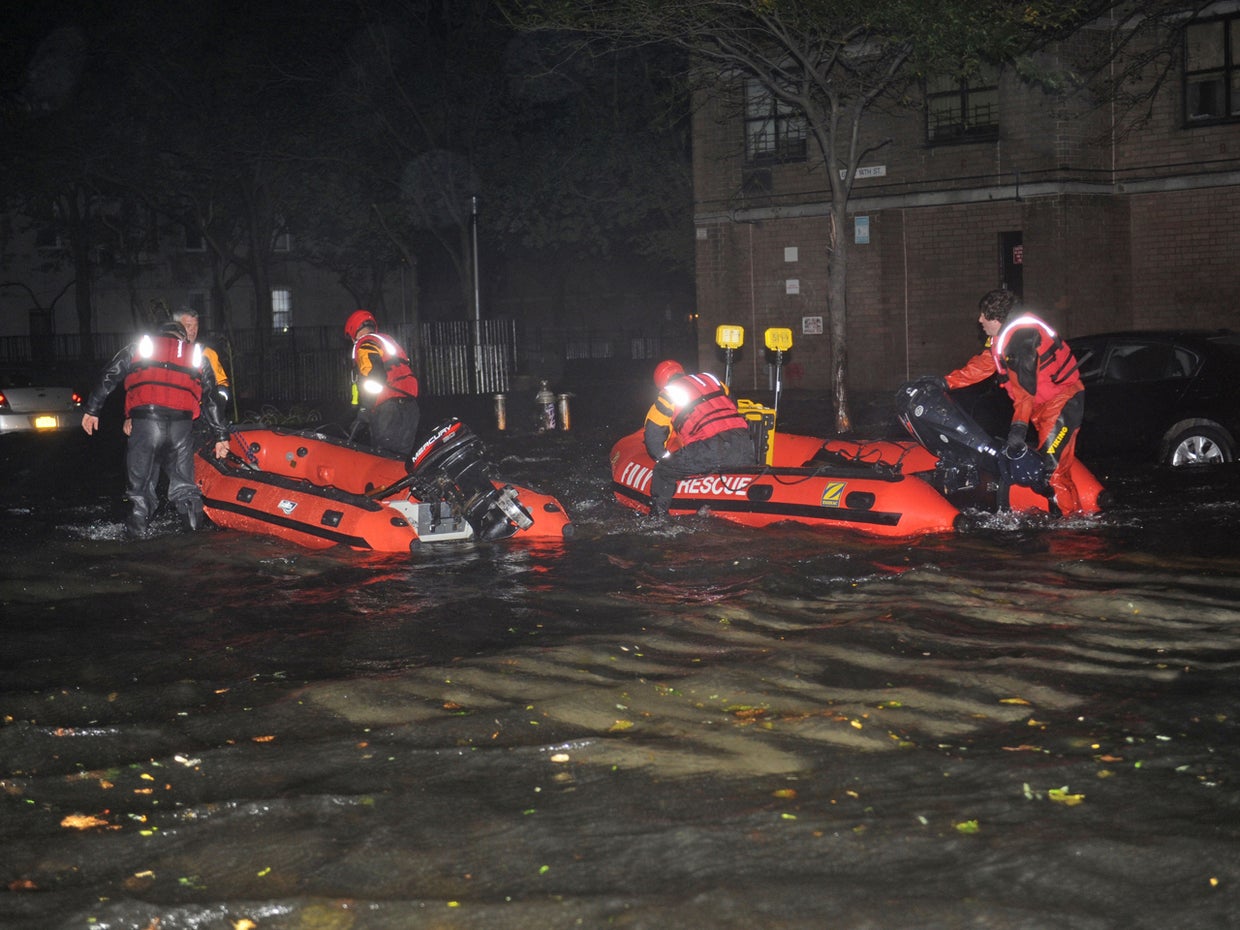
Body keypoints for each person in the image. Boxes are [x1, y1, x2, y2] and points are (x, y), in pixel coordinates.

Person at [941, 288, 1089, 513]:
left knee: (1051, 472)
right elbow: (985, 363)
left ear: (997, 318)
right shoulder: (1004, 336)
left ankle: (1070, 531)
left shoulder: (1022, 342)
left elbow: (1024, 394)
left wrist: (1017, 432)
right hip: (1045, 406)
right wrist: (945, 383)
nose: (979, 320)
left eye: (983, 315)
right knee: (1051, 467)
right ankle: (1070, 515)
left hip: (1062, 404)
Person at [82, 320, 231, 538]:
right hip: (181, 426)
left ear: (160, 334)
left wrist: (92, 409)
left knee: (140, 487)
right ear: (182, 337)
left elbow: (109, 375)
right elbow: (210, 399)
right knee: (185, 487)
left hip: (146, 423)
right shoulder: (196, 354)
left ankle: (137, 541)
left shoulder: (141, 346)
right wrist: (221, 435)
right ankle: (195, 537)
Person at [642, 359, 755, 516]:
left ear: (661, 383)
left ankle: (657, 519)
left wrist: (666, 458)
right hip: (745, 442)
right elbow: (732, 406)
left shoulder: (668, 394)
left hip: (711, 447)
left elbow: (653, 438)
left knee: (663, 470)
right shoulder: (712, 380)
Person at [345, 309, 420, 456]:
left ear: (353, 330)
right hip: (411, 408)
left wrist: (365, 410)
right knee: (400, 460)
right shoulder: (386, 341)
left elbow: (374, 378)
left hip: (388, 410)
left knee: (383, 458)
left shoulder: (365, 344)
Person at [172, 306, 231, 423]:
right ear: (176, 326)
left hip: (201, 419)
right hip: (172, 417)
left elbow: (222, 383)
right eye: (188, 326)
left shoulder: (207, 353)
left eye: (196, 326)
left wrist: (216, 406)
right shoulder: (165, 351)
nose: (193, 331)